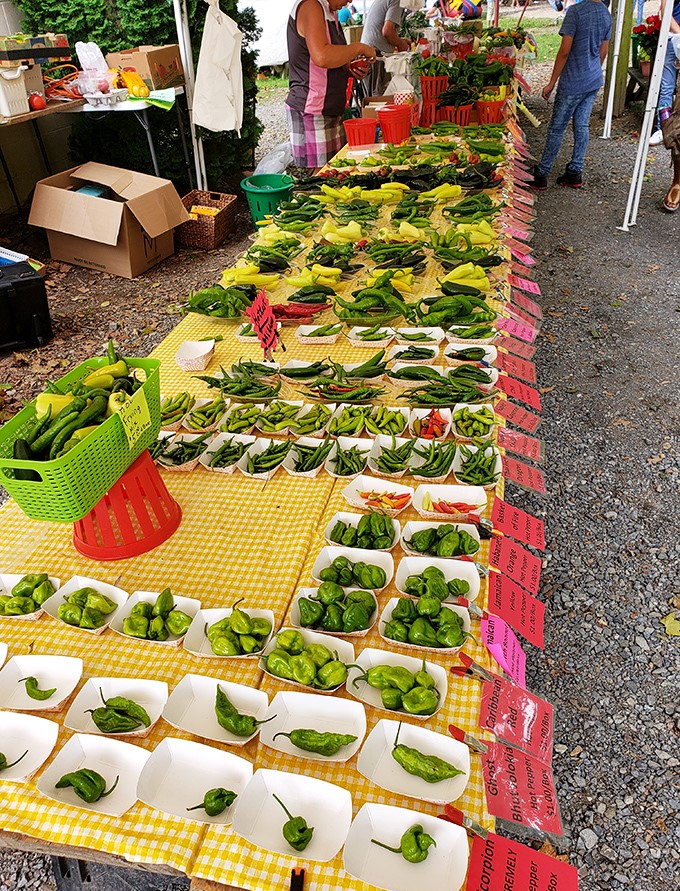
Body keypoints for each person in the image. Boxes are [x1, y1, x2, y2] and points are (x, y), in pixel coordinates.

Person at [527, 0, 611, 190]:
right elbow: (603, 50)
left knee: (557, 128)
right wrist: (594, 69)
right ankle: (575, 172)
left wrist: (551, 82)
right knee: (581, 126)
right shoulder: (605, 13)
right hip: (593, 79)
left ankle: (541, 173)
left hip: (573, 80)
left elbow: (565, 51)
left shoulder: (575, 12)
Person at [286, 0, 376, 169]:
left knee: (334, 171)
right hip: (312, 109)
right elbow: (322, 56)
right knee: (320, 179)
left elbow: (329, 57)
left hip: (329, 107)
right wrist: (357, 48)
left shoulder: (329, 11)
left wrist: (349, 68)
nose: (349, 1)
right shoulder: (311, 6)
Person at [361, 0, 410, 96]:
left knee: (373, 100)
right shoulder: (397, 1)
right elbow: (387, 31)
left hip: (370, 55)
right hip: (375, 58)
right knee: (379, 101)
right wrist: (401, 45)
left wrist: (400, 40)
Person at [649, 0, 680, 145]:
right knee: (666, 86)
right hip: (672, 37)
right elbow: (664, 8)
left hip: (674, 36)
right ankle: (663, 128)